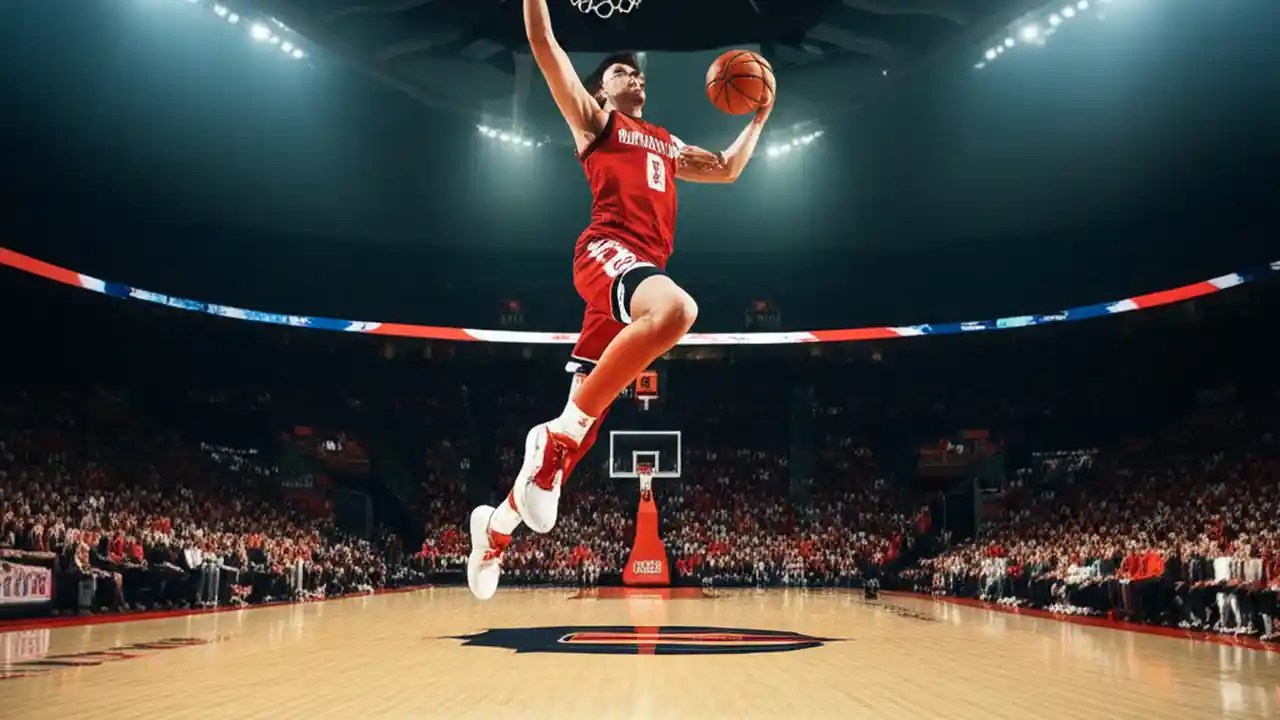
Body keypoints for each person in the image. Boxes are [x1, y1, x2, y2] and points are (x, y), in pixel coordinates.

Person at [467, 0, 774, 600]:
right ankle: (554, 438)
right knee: (677, 312)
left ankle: (494, 530)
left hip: (635, 277)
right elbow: (543, 42)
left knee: (580, 432)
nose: (634, 75)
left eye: (637, 71)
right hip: (608, 252)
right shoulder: (595, 121)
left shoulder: (665, 141)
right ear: (599, 89)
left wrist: (761, 115)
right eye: (619, 71)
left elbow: (730, 170)